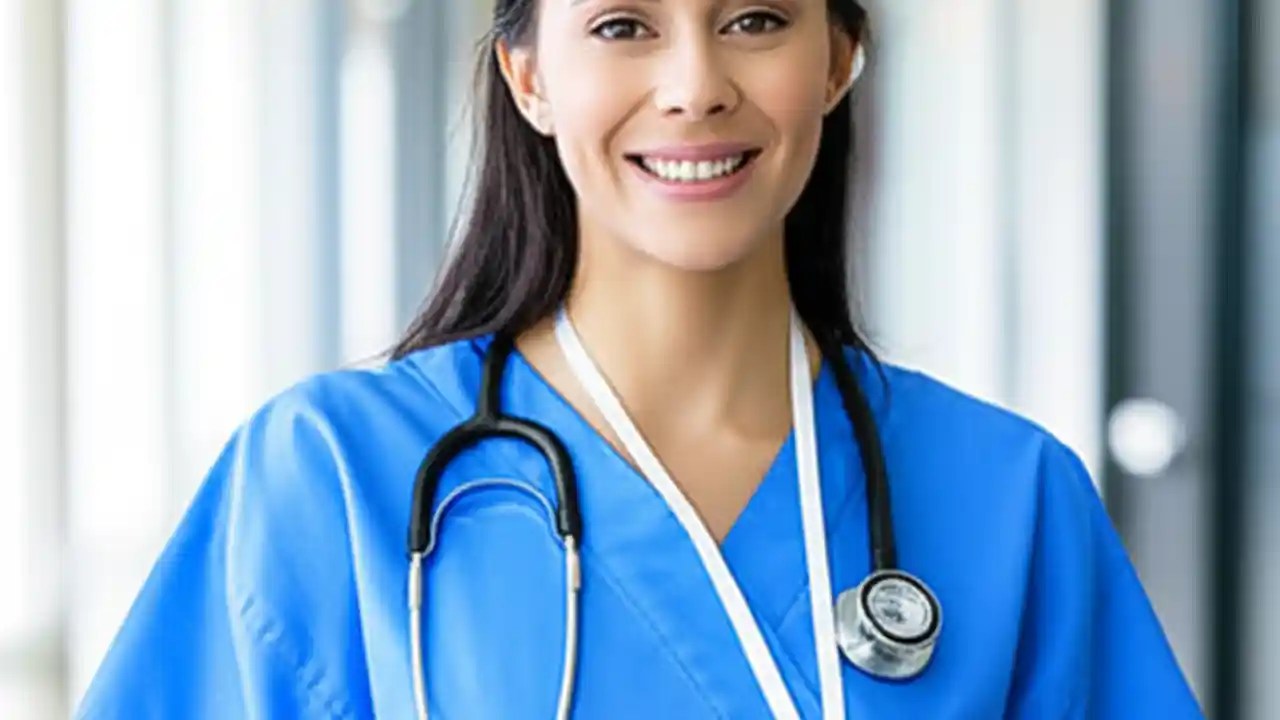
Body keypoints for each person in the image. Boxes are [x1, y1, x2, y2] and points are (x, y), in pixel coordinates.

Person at [76, 1, 1204, 718]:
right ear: (528, 76)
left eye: (756, 19)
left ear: (837, 58)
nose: (694, 83)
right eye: (623, 27)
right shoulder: (333, 474)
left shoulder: (1005, 494)